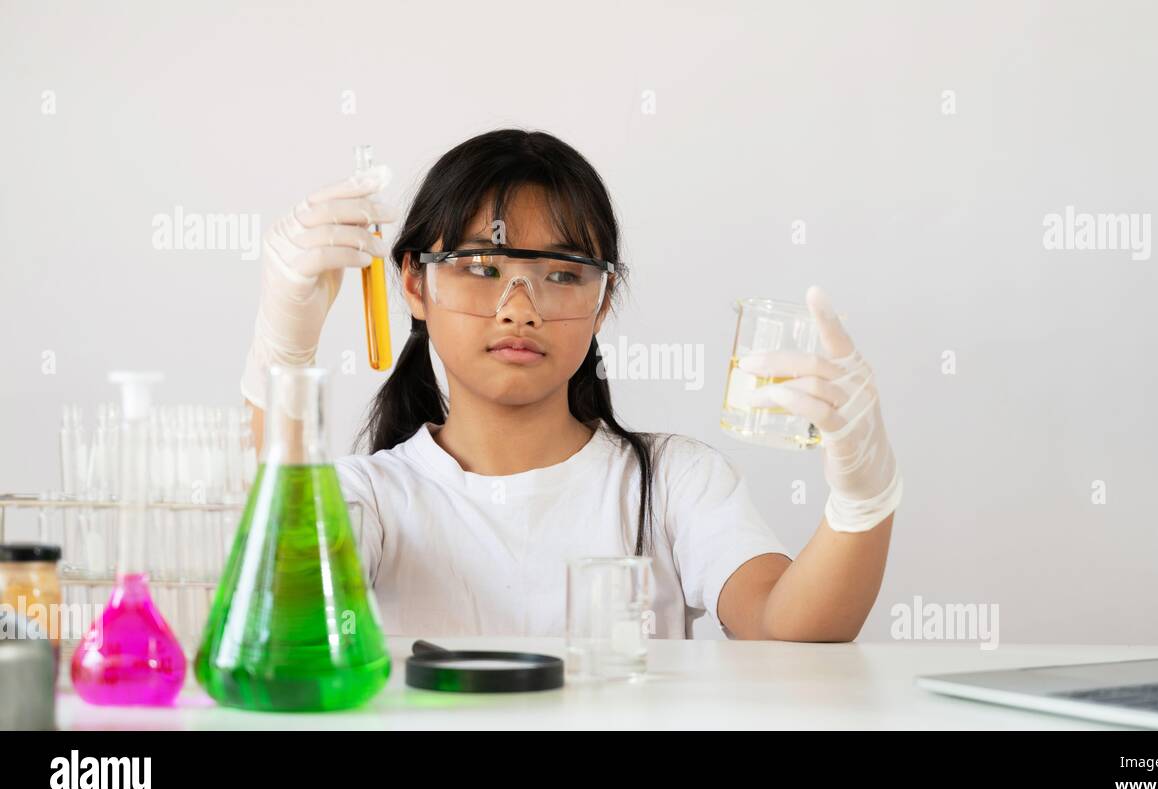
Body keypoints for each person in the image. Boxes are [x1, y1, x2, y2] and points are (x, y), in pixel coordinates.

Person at [239, 129, 901, 640]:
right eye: (481, 267)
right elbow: (283, 587)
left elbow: (786, 630)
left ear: (603, 298)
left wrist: (862, 498)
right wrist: (280, 359)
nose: (519, 307)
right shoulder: (371, 497)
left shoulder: (672, 482)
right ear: (415, 282)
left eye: (561, 274)